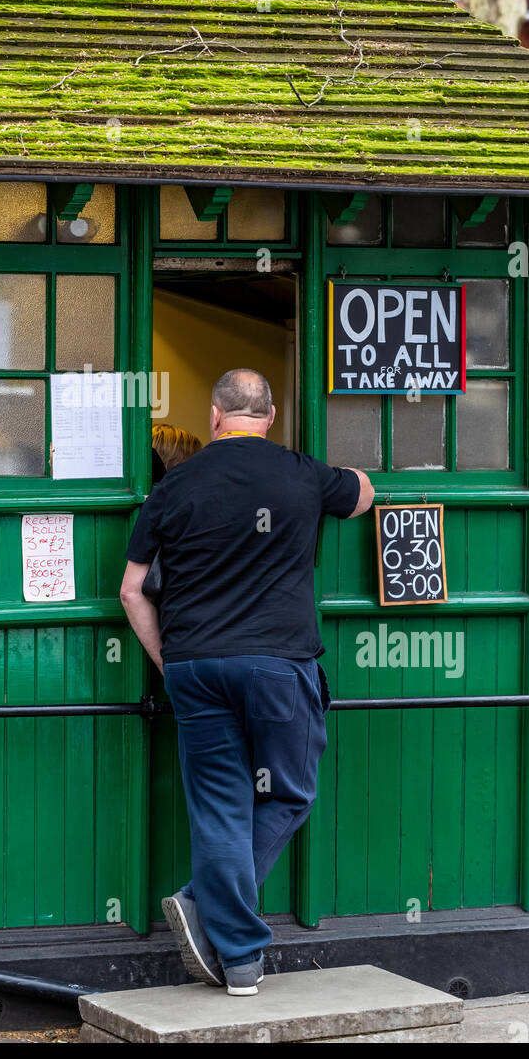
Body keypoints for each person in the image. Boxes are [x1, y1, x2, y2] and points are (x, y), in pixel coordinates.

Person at [120, 368, 374, 997]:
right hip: (277, 665)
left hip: (193, 665)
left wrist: (169, 664)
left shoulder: (173, 485)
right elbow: (366, 492)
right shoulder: (301, 473)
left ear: (214, 417)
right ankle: (208, 907)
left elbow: (131, 590)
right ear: (271, 415)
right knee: (287, 792)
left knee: (219, 805)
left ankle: (239, 963)